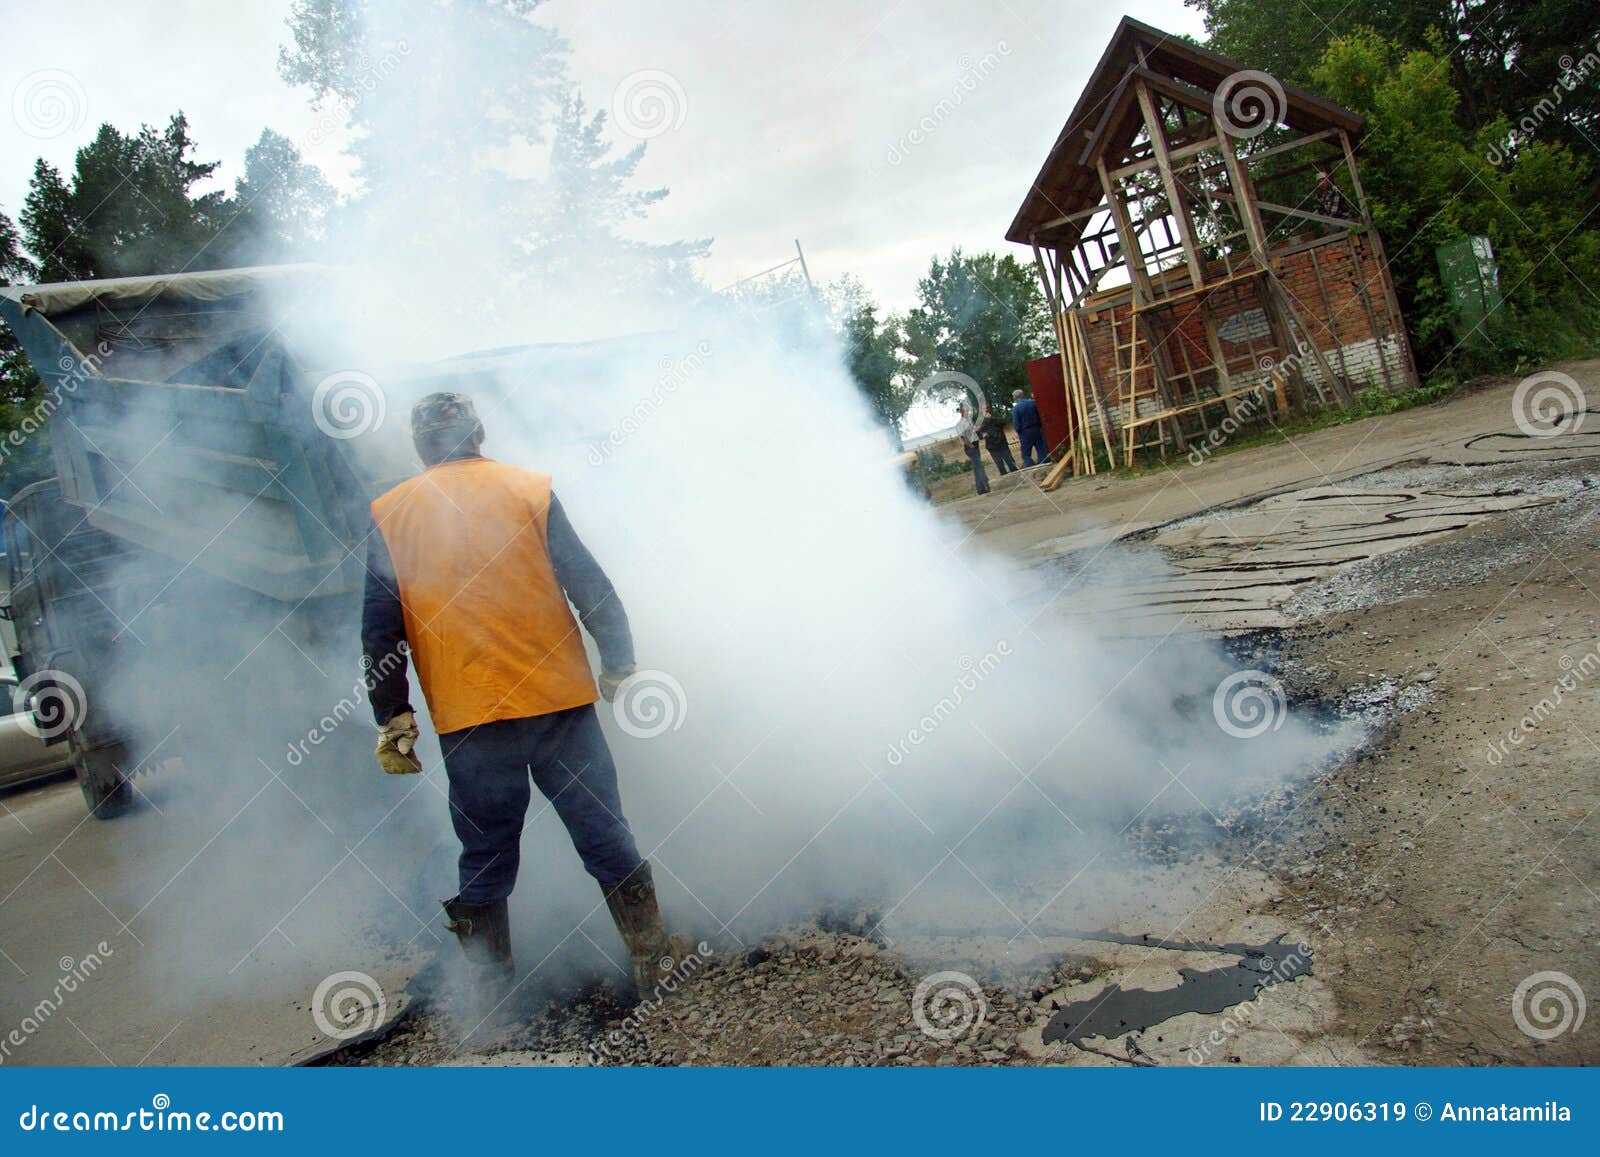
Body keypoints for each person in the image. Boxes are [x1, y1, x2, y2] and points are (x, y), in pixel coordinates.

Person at [361, 391, 685, 1011]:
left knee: (484, 851)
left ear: (418, 447)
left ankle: (489, 992)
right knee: (603, 831)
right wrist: (617, 661)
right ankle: (651, 959)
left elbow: (380, 628)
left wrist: (392, 715)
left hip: (469, 718)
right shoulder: (529, 489)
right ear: (479, 431)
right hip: (557, 703)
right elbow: (587, 582)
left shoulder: (391, 513)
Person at [955, 402, 990, 495]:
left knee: (977, 467)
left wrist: (982, 427)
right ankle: (985, 484)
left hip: (975, 443)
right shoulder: (960, 424)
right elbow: (963, 438)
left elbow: (975, 429)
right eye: (966, 409)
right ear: (961, 411)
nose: (968, 410)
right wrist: (971, 446)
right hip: (970, 446)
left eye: (968, 408)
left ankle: (980, 489)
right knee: (979, 466)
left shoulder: (969, 420)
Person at [977, 409, 1017, 476]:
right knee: (1002, 461)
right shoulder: (983, 424)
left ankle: (1010, 472)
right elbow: (978, 435)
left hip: (998, 444)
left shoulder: (994, 421)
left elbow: (1005, 421)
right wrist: (983, 435)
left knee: (1006, 460)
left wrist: (990, 419)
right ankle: (1009, 473)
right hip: (994, 445)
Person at [1012, 389, 1046, 466]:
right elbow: (1039, 415)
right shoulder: (1033, 403)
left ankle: (1032, 467)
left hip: (1025, 432)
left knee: (1025, 455)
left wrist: (1018, 431)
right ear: (1022, 395)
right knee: (1041, 450)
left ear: (1015, 397)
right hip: (1037, 429)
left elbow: (1016, 423)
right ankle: (1044, 465)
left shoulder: (1016, 408)